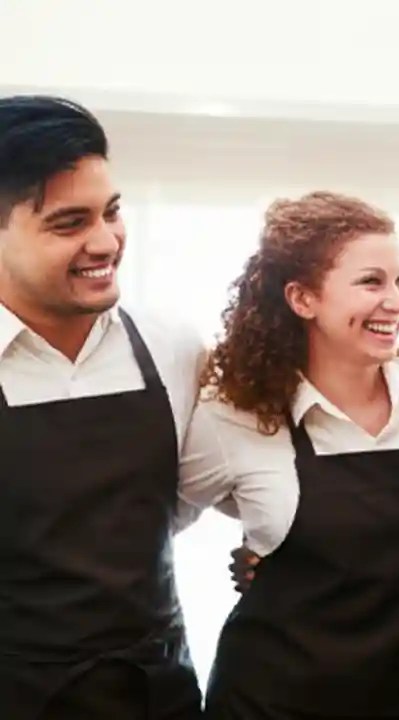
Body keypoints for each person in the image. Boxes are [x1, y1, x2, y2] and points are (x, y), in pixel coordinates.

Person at [179, 191, 399, 719]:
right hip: (269, 705)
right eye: (371, 282)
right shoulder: (235, 414)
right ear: (303, 298)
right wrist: (267, 533)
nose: (397, 301)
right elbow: (159, 515)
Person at [0, 95, 205, 718]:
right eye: (69, 223)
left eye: (112, 212)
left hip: (158, 690)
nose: (105, 241)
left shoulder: (171, 346)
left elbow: (191, 497)